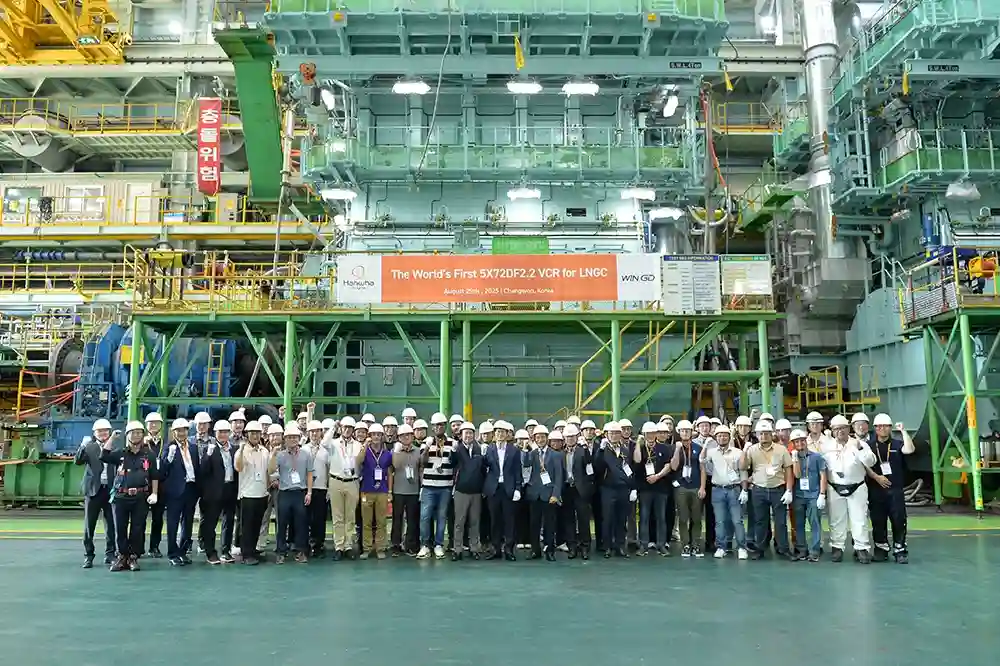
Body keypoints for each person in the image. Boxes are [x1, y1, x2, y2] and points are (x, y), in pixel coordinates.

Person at [101, 420, 159, 572]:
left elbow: (154, 475)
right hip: (121, 496)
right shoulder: (120, 453)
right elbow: (104, 456)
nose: (136, 435)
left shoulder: (149, 455)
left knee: (137, 528)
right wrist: (112, 438)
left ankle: (133, 557)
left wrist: (154, 492)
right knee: (120, 528)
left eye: (139, 433)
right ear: (127, 435)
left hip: (140, 497)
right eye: (133, 433)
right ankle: (122, 557)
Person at [821, 414, 876, 563]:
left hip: (857, 487)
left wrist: (861, 449)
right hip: (835, 488)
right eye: (836, 429)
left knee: (859, 519)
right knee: (836, 519)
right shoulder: (826, 447)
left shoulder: (859, 444)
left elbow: (871, 461)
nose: (840, 431)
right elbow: (821, 467)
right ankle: (837, 547)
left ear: (848, 428)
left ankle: (861, 548)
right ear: (832, 430)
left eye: (843, 428)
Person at [741, 420, 794, 560]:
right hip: (759, 490)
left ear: (772, 434)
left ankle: (783, 548)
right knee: (760, 521)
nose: (764, 436)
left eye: (766, 433)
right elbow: (743, 467)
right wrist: (745, 451)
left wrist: (789, 490)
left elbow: (788, 470)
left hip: (778, 489)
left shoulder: (781, 449)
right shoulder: (752, 450)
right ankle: (760, 549)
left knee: (781, 522)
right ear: (757, 435)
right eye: (761, 433)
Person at [866, 413, 915, 564]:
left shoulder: (897, 444)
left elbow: (909, 450)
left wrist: (903, 431)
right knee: (878, 521)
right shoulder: (868, 446)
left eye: (885, 426)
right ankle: (881, 550)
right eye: (879, 426)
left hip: (895, 490)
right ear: (875, 428)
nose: (882, 429)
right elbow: (864, 464)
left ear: (890, 428)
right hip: (876, 490)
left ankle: (900, 550)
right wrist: (876, 477)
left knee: (899, 520)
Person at [75, 418, 119, 569]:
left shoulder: (115, 447)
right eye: (99, 431)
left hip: (110, 490)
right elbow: (78, 461)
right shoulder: (89, 447)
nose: (103, 433)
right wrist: (82, 446)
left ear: (109, 432)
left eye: (105, 430)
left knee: (111, 525)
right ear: (94, 433)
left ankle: (110, 554)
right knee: (89, 525)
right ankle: (88, 555)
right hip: (93, 490)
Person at [702, 424, 748, 560]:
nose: (722, 437)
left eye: (725, 435)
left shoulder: (737, 452)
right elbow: (701, 460)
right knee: (720, 521)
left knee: (737, 520)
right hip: (717, 490)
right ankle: (721, 547)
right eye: (719, 435)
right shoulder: (712, 452)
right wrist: (705, 446)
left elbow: (743, 471)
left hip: (734, 489)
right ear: (716, 437)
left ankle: (741, 547)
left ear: (729, 437)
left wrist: (744, 490)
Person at [268, 424, 313, 564]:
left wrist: (309, 492)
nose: (292, 439)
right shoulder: (280, 455)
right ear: (285, 439)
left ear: (299, 438)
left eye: (295, 437)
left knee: (301, 523)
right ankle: (281, 552)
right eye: (289, 437)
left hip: (300, 492)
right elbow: (271, 470)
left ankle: (301, 551)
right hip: (284, 493)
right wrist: (273, 454)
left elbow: (309, 473)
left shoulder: (305, 454)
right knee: (282, 523)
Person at [198, 419, 239, 565]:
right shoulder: (209, 449)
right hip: (214, 492)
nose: (223, 435)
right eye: (220, 432)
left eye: (226, 432)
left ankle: (226, 551)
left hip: (230, 489)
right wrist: (207, 456)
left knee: (229, 521)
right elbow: (203, 472)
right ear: (215, 433)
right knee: (211, 523)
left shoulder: (235, 449)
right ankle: (210, 552)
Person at [161, 418, 200, 567]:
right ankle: (172, 553)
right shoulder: (169, 447)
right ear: (173, 432)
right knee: (173, 523)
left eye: (184, 430)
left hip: (191, 488)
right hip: (175, 491)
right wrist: (169, 458)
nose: (181, 433)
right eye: (178, 430)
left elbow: (197, 467)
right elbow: (163, 469)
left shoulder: (193, 447)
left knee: (188, 522)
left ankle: (183, 551)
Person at [417, 412, 455, 559]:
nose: (439, 427)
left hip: (445, 486)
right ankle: (425, 545)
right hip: (429, 486)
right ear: (432, 427)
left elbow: (455, 464)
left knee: (441, 516)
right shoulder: (426, 441)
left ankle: (438, 544)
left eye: (441, 425)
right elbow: (422, 462)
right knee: (425, 516)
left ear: (445, 426)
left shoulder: (452, 443)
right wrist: (428, 447)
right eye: (436, 425)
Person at [483, 421, 521, 561]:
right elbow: (485, 467)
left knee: (509, 520)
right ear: (495, 434)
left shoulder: (514, 450)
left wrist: (517, 488)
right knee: (495, 520)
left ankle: (509, 549)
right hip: (494, 489)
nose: (500, 434)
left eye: (502, 432)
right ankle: (496, 549)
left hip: (508, 488)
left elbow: (517, 470)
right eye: (498, 432)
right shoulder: (489, 449)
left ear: (507, 434)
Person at [525, 430, 565, 561]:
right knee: (533, 524)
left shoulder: (556, 455)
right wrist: (525, 450)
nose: (540, 440)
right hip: (534, 494)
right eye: (538, 437)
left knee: (550, 525)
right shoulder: (532, 454)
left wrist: (556, 494)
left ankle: (550, 550)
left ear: (547, 438)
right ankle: (535, 550)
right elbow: (525, 465)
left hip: (549, 495)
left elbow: (559, 476)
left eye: (542, 437)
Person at [234, 420, 269, 565]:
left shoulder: (264, 451)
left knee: (256, 525)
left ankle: (252, 550)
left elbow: (268, 470)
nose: (255, 436)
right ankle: (246, 554)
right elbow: (238, 467)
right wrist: (242, 451)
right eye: (252, 433)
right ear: (247, 435)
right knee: (246, 527)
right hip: (247, 494)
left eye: (257, 433)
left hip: (261, 493)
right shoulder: (241, 451)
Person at [634, 422, 671, 557]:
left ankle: (661, 545)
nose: (650, 436)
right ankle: (643, 545)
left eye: (653, 433)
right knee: (644, 517)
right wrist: (638, 443)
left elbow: (668, 465)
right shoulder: (640, 448)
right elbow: (637, 460)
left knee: (661, 517)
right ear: (644, 434)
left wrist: (657, 476)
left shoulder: (664, 448)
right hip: (645, 489)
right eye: (648, 433)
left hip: (660, 488)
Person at [599, 422, 635, 558]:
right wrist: (600, 450)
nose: (614, 435)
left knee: (622, 519)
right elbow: (597, 466)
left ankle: (620, 545)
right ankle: (607, 547)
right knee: (608, 519)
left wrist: (632, 488)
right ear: (607, 435)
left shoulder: (625, 451)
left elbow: (629, 469)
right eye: (611, 433)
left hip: (623, 489)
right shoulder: (603, 450)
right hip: (608, 489)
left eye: (616, 433)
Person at [327, 415, 361, 560]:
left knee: (350, 516)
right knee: (337, 516)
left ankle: (348, 545)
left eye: (350, 428)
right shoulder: (333, 443)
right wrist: (333, 428)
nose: (347, 430)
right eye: (345, 427)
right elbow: (324, 443)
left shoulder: (358, 445)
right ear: (341, 429)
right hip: (336, 480)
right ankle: (339, 546)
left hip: (352, 481)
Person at [790, 428, 827, 562]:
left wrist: (822, 494)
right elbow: (797, 475)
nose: (800, 443)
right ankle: (802, 550)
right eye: (796, 442)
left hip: (813, 496)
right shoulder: (792, 458)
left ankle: (815, 551)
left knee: (815, 523)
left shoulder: (817, 457)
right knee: (799, 524)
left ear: (806, 441)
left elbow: (823, 476)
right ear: (793, 444)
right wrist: (795, 459)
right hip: (798, 496)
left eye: (802, 441)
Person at [451, 422, 486, 561]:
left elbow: (484, 470)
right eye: (466, 433)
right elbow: (452, 463)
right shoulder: (457, 449)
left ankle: (474, 548)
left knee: (475, 522)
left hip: (476, 492)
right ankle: (457, 549)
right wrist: (453, 452)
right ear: (461, 435)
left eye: (470, 433)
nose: (468, 435)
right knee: (459, 522)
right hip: (461, 491)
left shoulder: (479, 450)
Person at [357, 423, 392, 560]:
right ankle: (366, 548)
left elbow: (389, 473)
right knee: (366, 521)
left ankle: (380, 548)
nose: (376, 437)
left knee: (381, 521)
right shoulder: (365, 452)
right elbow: (358, 462)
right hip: (366, 491)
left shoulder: (387, 454)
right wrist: (365, 446)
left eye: (378, 434)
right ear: (369, 436)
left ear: (382, 436)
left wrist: (390, 491)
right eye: (373, 435)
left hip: (382, 491)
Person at [670, 419, 704, 558]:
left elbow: (702, 469)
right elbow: (673, 467)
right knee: (683, 518)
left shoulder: (698, 448)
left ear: (691, 432)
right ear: (679, 432)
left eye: (687, 430)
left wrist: (702, 487)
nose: (685, 433)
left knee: (696, 518)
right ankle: (685, 544)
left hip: (695, 487)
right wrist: (677, 449)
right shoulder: (674, 448)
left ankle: (695, 545)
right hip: (681, 488)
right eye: (683, 431)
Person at [561, 423, 594, 560]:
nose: (570, 439)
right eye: (568, 437)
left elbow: (590, 471)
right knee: (568, 520)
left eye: (572, 436)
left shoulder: (583, 451)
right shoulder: (560, 453)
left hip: (580, 490)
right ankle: (572, 547)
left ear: (577, 437)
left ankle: (585, 547)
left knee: (583, 520)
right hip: (566, 489)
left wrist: (588, 489)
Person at [390, 424, 421, 556]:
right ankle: (396, 544)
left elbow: (420, 468)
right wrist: (397, 452)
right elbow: (395, 465)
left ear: (412, 436)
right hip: (398, 490)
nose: (406, 437)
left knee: (412, 519)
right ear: (399, 438)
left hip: (413, 490)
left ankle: (410, 544)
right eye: (403, 436)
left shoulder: (418, 451)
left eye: (408, 435)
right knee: (397, 519)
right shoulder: (395, 451)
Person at [303, 420, 331, 557]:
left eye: (317, 431)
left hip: (321, 487)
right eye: (312, 431)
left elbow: (329, 470)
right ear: (308, 433)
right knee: (306, 517)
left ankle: (318, 545)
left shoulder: (326, 451)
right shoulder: (303, 449)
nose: (314, 434)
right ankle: (305, 545)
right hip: (306, 488)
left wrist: (329, 488)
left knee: (320, 519)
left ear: (321, 433)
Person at [142, 412, 166, 558]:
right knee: (140, 518)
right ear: (146, 425)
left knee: (158, 518)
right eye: (151, 423)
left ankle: (154, 547)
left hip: (160, 486)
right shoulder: (141, 443)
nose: (154, 425)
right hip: (144, 485)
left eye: (157, 423)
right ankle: (138, 547)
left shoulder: (166, 443)